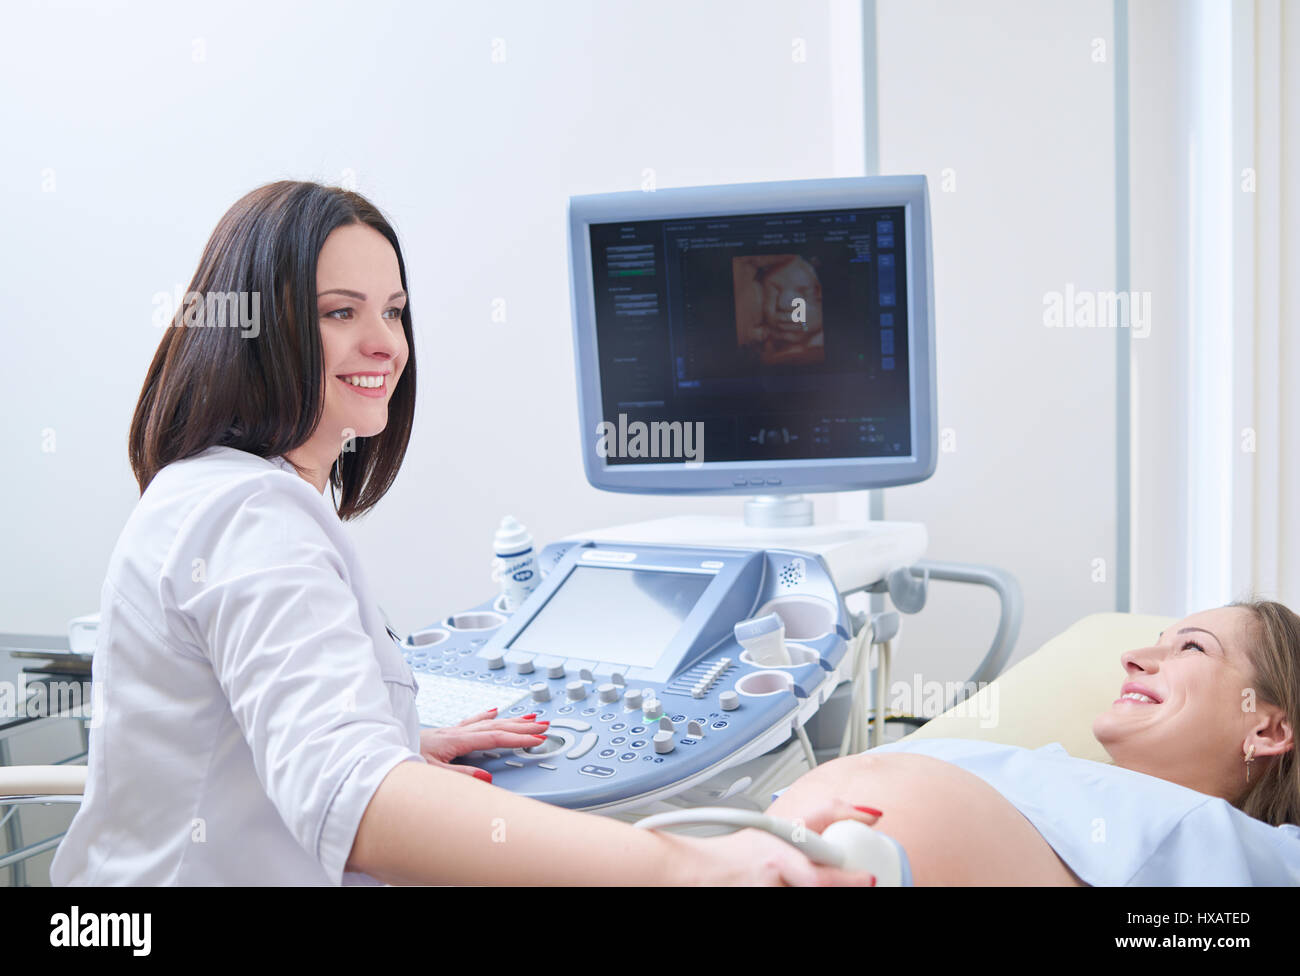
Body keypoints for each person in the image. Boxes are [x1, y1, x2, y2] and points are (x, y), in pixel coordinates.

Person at [49, 181, 877, 886]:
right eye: (341, 312)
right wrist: (685, 866)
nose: (385, 343)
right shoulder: (248, 516)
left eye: (394, 310)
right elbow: (350, 796)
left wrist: (396, 735)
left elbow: (277, 735)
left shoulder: (216, 491)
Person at [767, 602, 1300, 885]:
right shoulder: (1043, 769)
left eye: (1191, 648)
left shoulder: (1261, 852)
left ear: (1268, 729)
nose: (1134, 657)